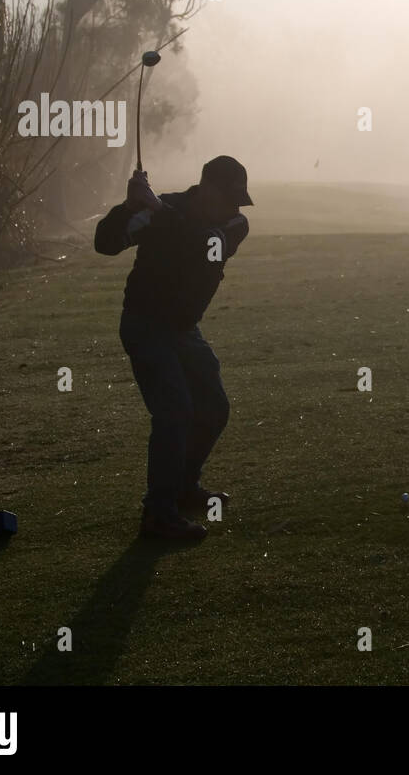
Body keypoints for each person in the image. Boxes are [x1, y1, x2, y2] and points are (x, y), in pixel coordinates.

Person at [94, 156, 253, 539]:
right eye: (229, 197)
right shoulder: (163, 208)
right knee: (175, 412)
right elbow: (106, 243)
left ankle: (183, 486)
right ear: (207, 188)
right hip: (145, 325)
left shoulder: (233, 226)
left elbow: (202, 246)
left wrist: (155, 208)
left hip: (183, 329)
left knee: (213, 407)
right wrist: (129, 207)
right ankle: (158, 513)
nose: (235, 207)